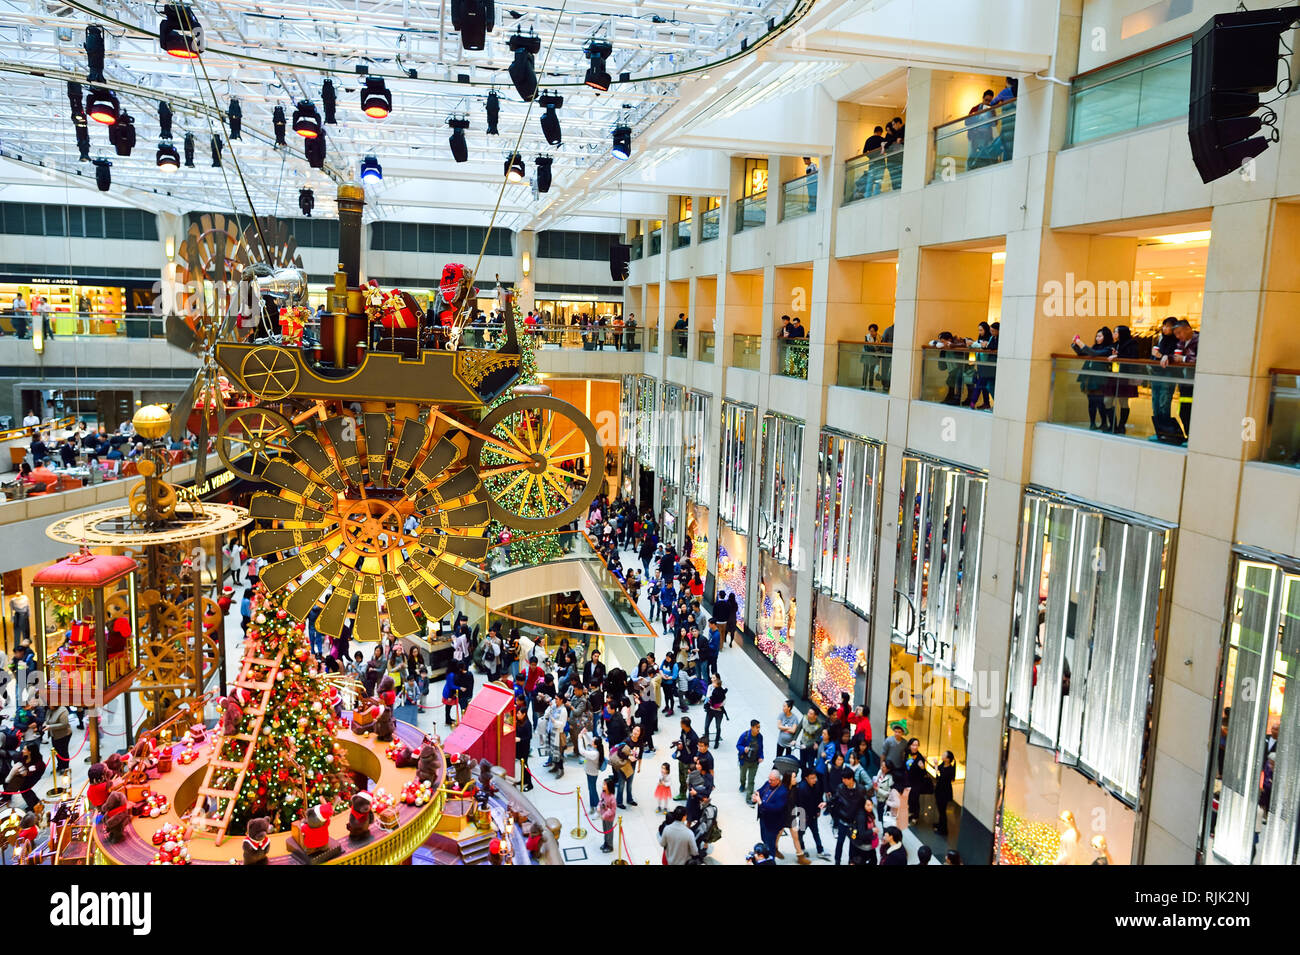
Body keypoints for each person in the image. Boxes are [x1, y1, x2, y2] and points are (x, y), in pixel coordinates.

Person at [1071, 326, 1117, 431]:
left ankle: (1104, 423)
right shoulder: (1095, 347)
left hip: (1100, 379)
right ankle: (1093, 423)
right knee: (1091, 402)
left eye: (1100, 336)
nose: (1097, 338)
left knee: (1101, 403)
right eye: (1097, 336)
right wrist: (1075, 345)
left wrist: (1080, 343)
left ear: (1106, 337)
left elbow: (1094, 354)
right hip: (1089, 377)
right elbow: (1083, 353)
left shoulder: (1108, 349)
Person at [829, 766, 867, 865]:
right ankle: (837, 861)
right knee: (840, 842)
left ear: (851, 779)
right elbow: (835, 798)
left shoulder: (861, 789)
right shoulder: (841, 787)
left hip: (854, 823)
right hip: (843, 820)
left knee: (853, 843)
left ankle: (851, 861)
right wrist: (826, 803)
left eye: (844, 779)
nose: (843, 781)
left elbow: (863, 806)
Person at [752, 768, 789, 858]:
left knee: (770, 845)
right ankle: (766, 857)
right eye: (769, 779)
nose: (769, 781)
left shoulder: (783, 791)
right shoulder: (768, 783)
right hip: (763, 818)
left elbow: (777, 808)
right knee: (764, 839)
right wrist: (755, 796)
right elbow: (760, 791)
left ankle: (770, 860)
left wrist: (761, 803)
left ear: (778, 780)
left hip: (773, 823)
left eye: (772, 780)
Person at [793, 766, 829, 860]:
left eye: (815, 777)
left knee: (816, 832)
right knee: (801, 833)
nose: (814, 780)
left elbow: (819, 798)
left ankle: (820, 850)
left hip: (813, 814)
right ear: (806, 778)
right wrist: (803, 816)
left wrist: (818, 810)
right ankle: (802, 848)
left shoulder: (817, 785)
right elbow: (800, 803)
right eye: (812, 778)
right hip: (803, 816)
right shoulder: (801, 788)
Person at [735, 719, 764, 800]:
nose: (758, 729)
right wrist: (744, 749)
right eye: (757, 727)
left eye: (759, 727)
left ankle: (749, 798)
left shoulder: (760, 737)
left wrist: (761, 756)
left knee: (751, 780)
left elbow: (761, 747)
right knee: (743, 776)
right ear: (752, 727)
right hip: (745, 761)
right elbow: (738, 745)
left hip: (755, 762)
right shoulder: (745, 735)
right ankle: (742, 784)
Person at [580, 729, 604, 810]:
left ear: (595, 745)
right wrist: (585, 734)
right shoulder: (595, 748)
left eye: (593, 741)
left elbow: (582, 751)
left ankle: (598, 808)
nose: (591, 741)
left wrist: (579, 738)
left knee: (593, 790)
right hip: (589, 772)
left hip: (592, 774)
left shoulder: (595, 753)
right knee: (590, 789)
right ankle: (592, 806)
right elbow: (590, 740)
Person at [934, 750, 957, 835]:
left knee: (942, 811)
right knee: (940, 809)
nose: (942, 755)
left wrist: (936, 765)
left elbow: (938, 776)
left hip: (944, 792)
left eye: (944, 755)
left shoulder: (949, 770)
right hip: (940, 790)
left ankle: (943, 829)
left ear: (947, 759)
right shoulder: (943, 764)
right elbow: (938, 770)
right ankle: (940, 824)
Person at [702, 673, 727, 747]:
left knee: (718, 726)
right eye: (712, 677)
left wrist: (717, 706)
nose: (711, 679)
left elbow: (724, 700)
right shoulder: (710, 686)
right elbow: (708, 697)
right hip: (710, 710)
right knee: (706, 726)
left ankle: (716, 741)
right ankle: (706, 741)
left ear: (717, 679)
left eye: (713, 678)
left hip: (719, 710)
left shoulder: (722, 688)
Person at [797, 707, 822, 774]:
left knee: (810, 764)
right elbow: (799, 728)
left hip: (811, 748)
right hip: (802, 743)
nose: (808, 714)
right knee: (802, 763)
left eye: (811, 714)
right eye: (808, 712)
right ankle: (803, 777)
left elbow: (816, 739)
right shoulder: (804, 718)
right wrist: (794, 739)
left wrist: (807, 745)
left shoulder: (819, 726)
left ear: (815, 716)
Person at [598, 777, 618, 853]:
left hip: (609, 818)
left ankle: (610, 845)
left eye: (604, 784)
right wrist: (599, 806)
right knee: (605, 830)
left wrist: (605, 815)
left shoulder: (612, 798)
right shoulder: (603, 793)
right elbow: (601, 801)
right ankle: (605, 842)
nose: (603, 786)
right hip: (603, 816)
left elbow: (613, 810)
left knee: (609, 831)